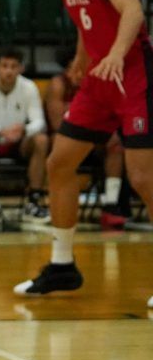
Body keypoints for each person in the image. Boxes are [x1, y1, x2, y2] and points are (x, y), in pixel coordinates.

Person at [14, 0, 152, 306]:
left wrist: (114, 53)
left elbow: (133, 10)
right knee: (59, 163)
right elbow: (86, 17)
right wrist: (83, 55)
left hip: (132, 75)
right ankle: (61, 266)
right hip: (98, 80)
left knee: (143, 178)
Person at [44, 45, 126, 226]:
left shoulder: (98, 86)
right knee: (55, 146)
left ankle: (111, 203)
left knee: (116, 143)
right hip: (66, 140)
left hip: (94, 140)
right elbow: (58, 124)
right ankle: (54, 209)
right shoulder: (58, 84)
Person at [0, 48, 48, 227]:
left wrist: (24, 130)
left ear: (20, 68)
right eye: (4, 65)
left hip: (20, 142)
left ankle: (33, 203)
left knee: (42, 140)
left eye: (14, 66)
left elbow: (39, 121)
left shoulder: (29, 87)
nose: (9, 70)